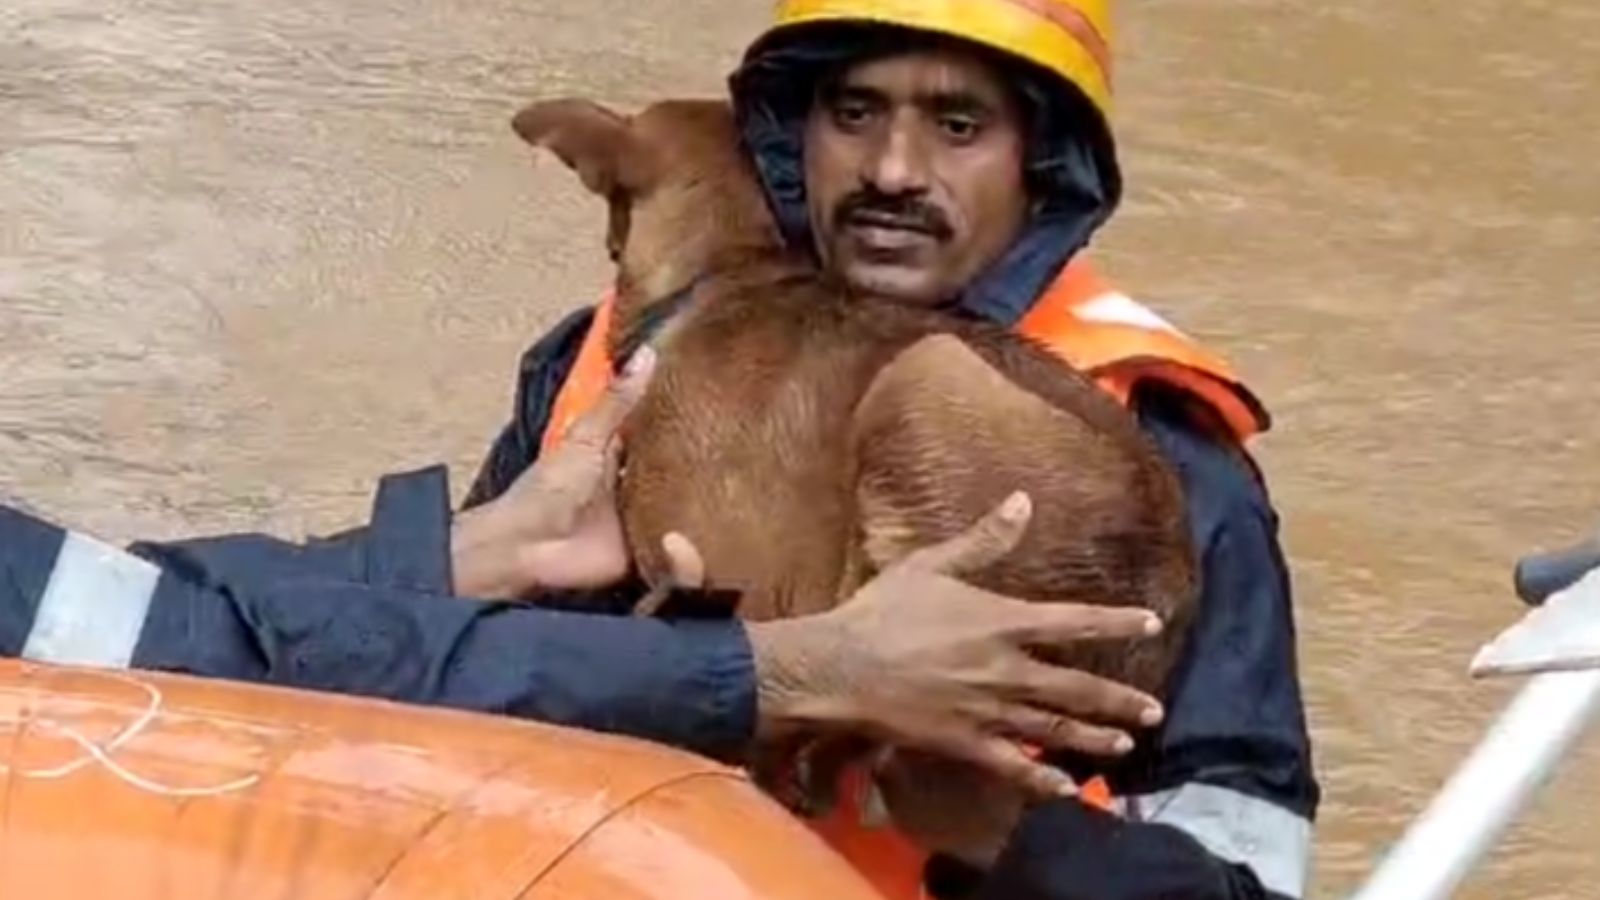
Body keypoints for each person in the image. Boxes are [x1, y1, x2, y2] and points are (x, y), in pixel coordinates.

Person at [0, 2, 1318, 899]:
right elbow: (450, 697)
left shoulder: (1164, 451)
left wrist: (1004, 839)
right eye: (853, 113)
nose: (892, 170)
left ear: (1044, 164)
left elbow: (1247, 873)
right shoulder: (608, 368)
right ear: (790, 138)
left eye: (959, 126)